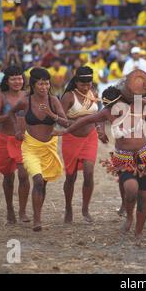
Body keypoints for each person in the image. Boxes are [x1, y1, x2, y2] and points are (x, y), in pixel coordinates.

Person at [53, 76, 146, 245]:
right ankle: (129, 217)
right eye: (110, 107)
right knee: (131, 190)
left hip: (144, 155)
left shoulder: (138, 104)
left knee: (145, 195)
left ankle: (138, 233)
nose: (114, 110)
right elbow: (87, 120)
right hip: (124, 158)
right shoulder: (107, 111)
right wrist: (66, 131)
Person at [8, 68, 69, 231]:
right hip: (31, 147)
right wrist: (17, 129)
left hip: (49, 147)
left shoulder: (54, 100)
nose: (44, 87)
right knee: (38, 180)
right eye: (41, 84)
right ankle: (37, 221)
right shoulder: (25, 101)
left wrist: (52, 114)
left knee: (43, 184)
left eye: (47, 83)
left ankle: (37, 214)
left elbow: (66, 122)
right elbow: (11, 114)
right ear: (33, 85)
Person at [0, 66, 30, 225]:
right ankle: (10, 209)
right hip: (6, 139)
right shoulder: (1, 96)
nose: (17, 81)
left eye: (19, 78)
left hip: (24, 140)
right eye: (13, 78)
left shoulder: (28, 95)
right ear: (7, 81)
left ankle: (22, 211)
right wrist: (11, 112)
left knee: (23, 174)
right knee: (8, 177)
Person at [60, 66, 101, 223]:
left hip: (90, 137)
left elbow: (98, 116)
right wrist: (75, 123)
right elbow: (61, 119)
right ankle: (68, 207)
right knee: (71, 177)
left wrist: (100, 129)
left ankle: (85, 208)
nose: (86, 86)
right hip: (71, 139)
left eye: (88, 83)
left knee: (89, 172)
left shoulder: (94, 93)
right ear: (76, 82)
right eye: (82, 84)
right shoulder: (69, 97)